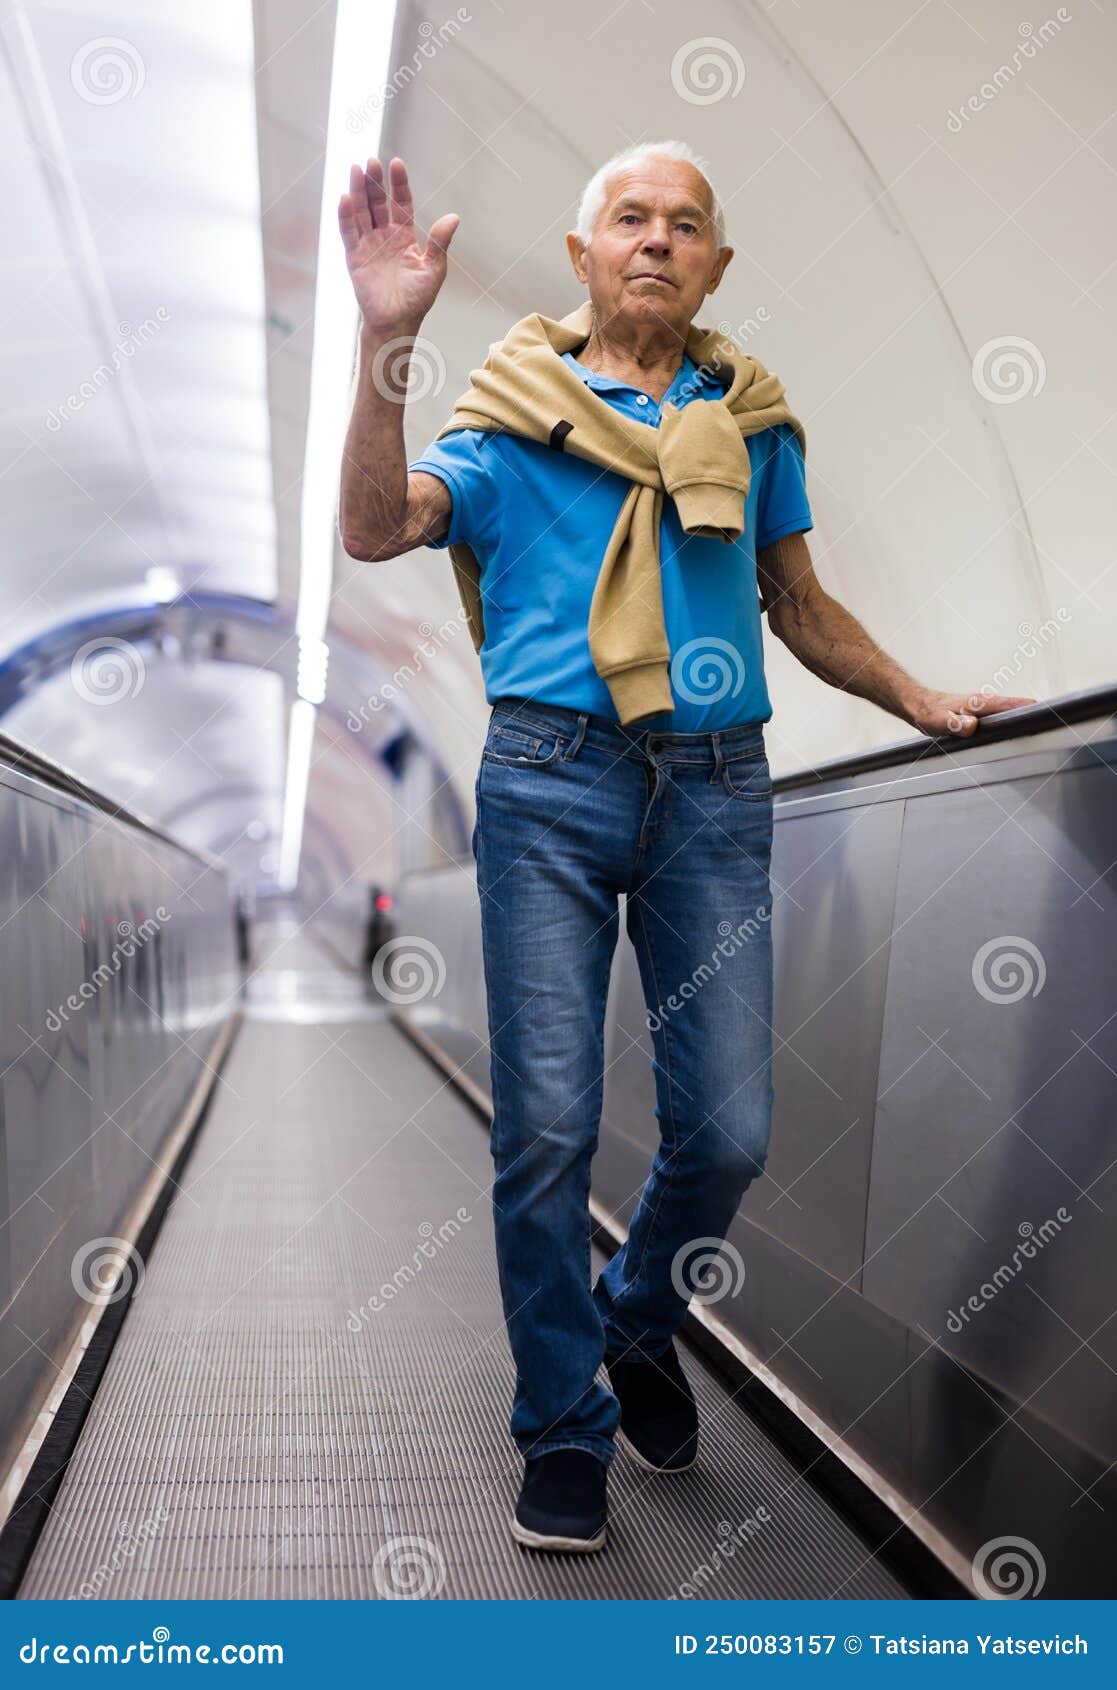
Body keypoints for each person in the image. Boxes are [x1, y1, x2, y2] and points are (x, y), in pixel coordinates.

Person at [336, 142, 1034, 1555]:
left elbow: (798, 599)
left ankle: (637, 1316)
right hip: (546, 781)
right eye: (628, 220)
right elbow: (372, 528)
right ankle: (561, 1425)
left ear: (716, 265)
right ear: (585, 252)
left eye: (684, 226)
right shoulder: (508, 419)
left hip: (715, 788)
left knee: (727, 1130)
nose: (655, 241)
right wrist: (384, 343)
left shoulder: (753, 423)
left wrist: (915, 690)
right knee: (543, 1129)